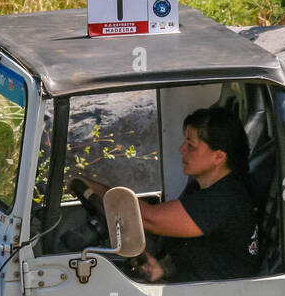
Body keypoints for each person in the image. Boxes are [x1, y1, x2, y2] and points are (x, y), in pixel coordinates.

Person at [73, 106, 259, 282]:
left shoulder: (222, 199)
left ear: (219, 156)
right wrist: (161, 267)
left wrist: (92, 187)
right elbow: (203, 253)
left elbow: (145, 218)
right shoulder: (203, 189)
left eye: (191, 145)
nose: (181, 150)